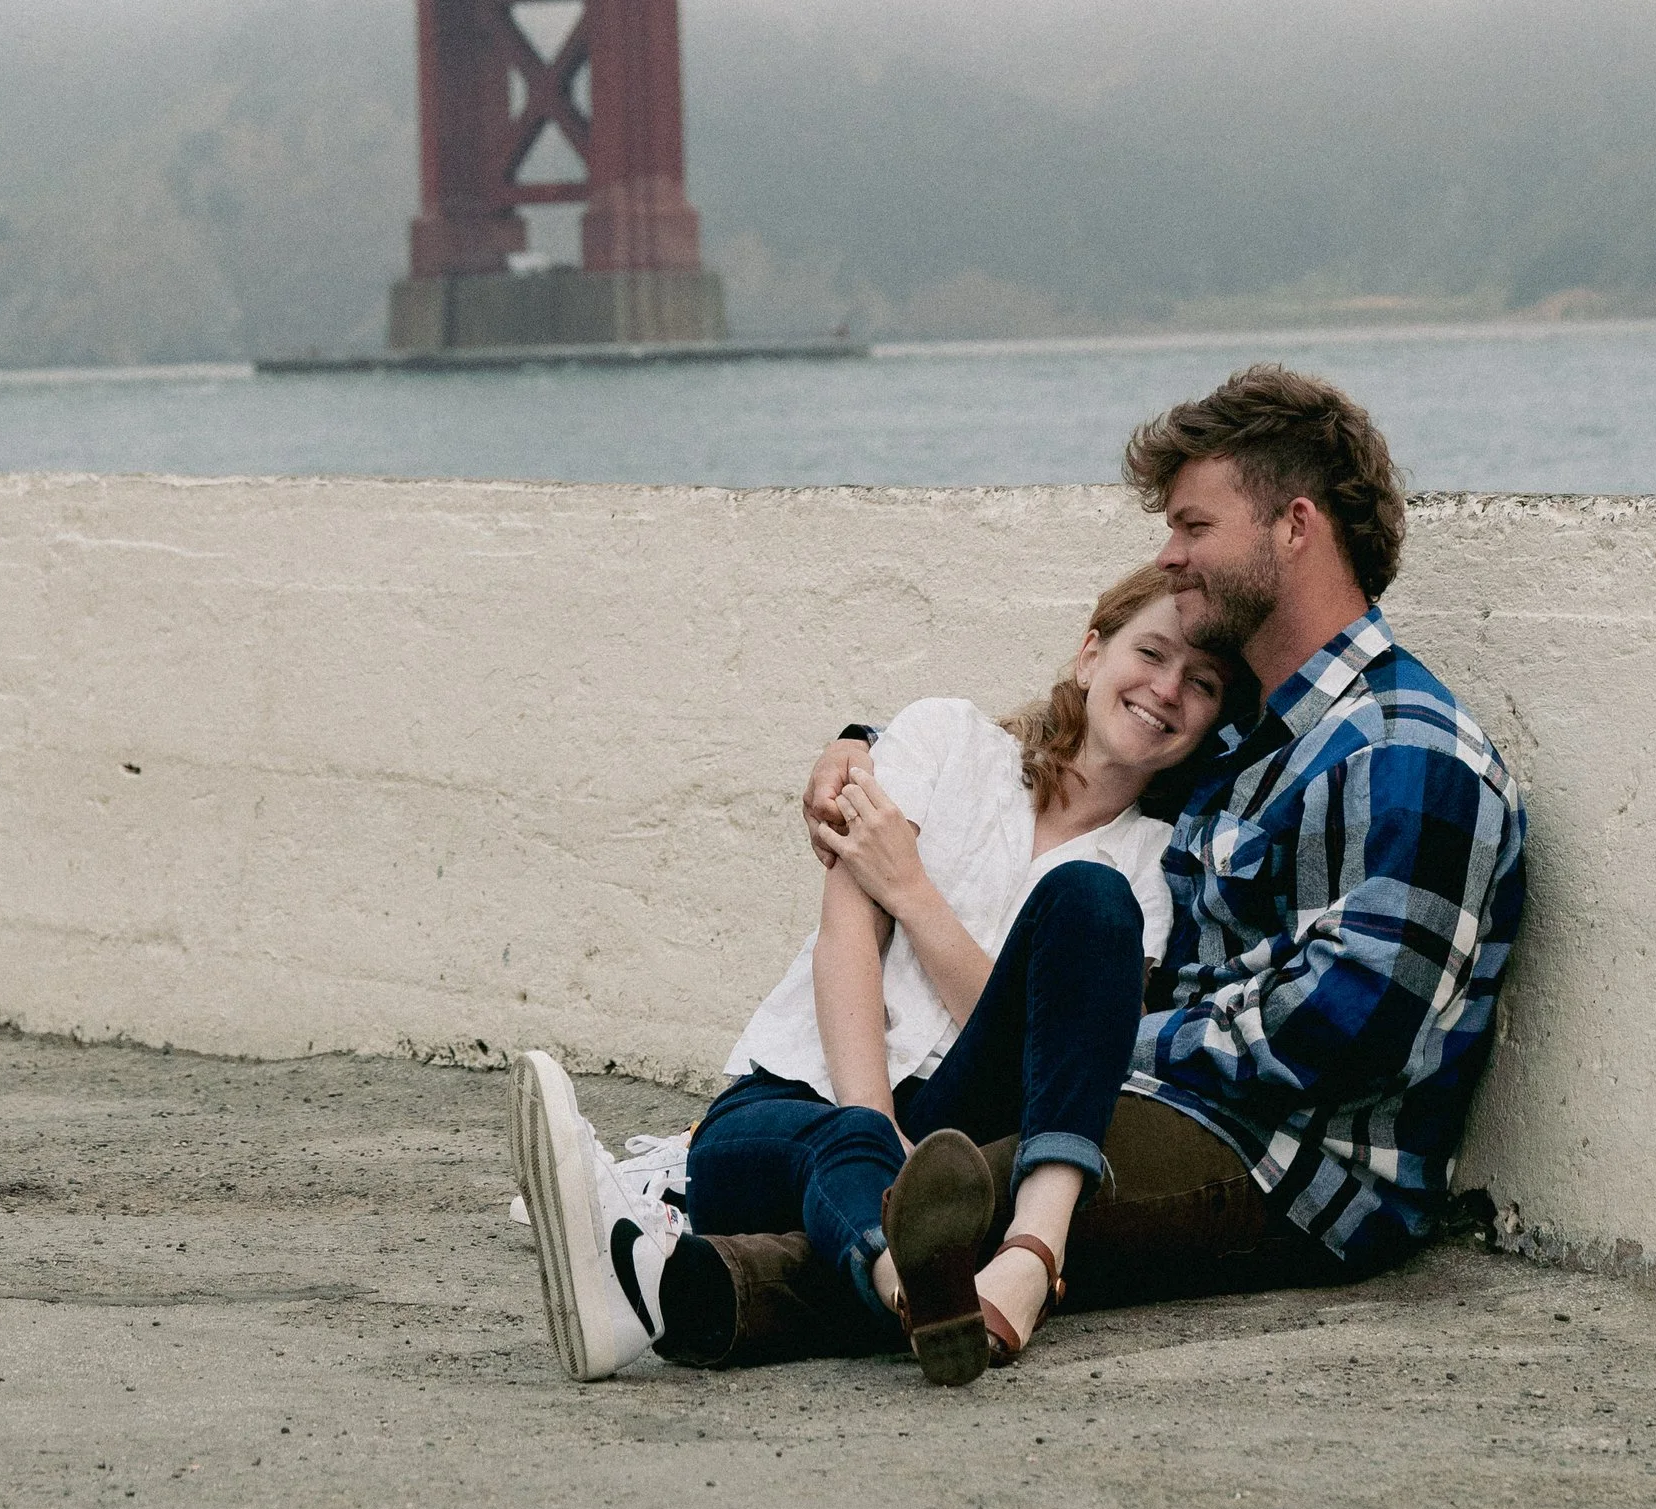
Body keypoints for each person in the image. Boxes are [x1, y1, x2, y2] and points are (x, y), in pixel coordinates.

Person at [784, 363, 1528, 1335]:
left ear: (1293, 528)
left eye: (1192, 525)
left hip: (1292, 1171)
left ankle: (677, 1286)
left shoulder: (1409, 755)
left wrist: (1098, 1041)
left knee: (923, 1189)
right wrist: (868, 746)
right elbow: (1069, 749)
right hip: (1154, 1100)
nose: (1169, 556)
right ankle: (707, 1283)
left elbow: (1343, 1034)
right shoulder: (1249, 733)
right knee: (869, 1143)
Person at [511, 561, 1241, 1391]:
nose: (1166, 689)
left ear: (1213, 719)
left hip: (955, 1133)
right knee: (842, 1144)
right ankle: (924, 1289)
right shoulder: (945, 739)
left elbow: (1044, 1046)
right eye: (1150, 653)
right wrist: (872, 1124)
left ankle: (851, 1283)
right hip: (789, 1107)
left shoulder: (1148, 869)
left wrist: (912, 890)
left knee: (1092, 898)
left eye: (1203, 683)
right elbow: (846, 933)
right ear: (1089, 655)